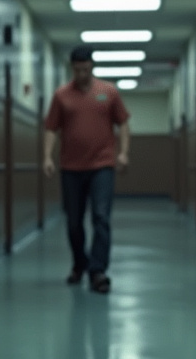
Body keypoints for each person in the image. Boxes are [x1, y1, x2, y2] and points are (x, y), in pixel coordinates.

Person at [42, 45, 131, 294]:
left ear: (92, 66)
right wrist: (47, 156)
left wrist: (123, 152)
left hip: (102, 165)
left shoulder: (108, 92)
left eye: (86, 68)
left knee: (101, 217)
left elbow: (123, 123)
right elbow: (51, 127)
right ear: (73, 68)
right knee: (73, 222)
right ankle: (79, 263)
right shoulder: (62, 96)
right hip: (71, 168)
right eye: (78, 69)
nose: (82, 73)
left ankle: (98, 271)